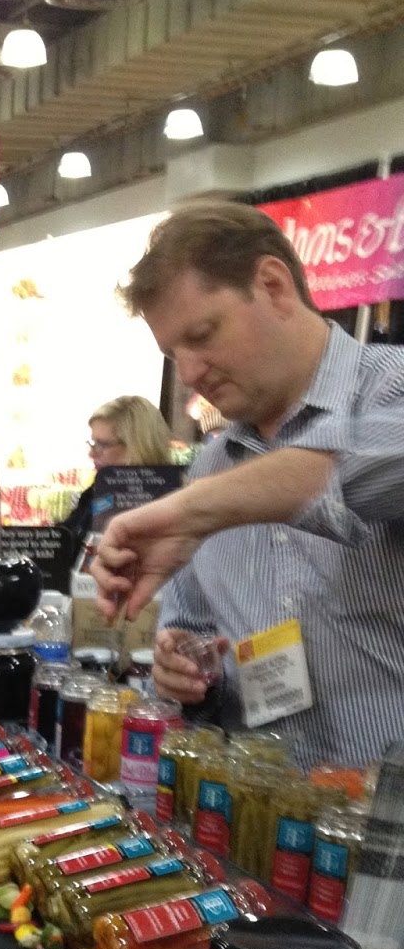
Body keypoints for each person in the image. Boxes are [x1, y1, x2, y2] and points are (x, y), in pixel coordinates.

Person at [91, 198, 404, 768]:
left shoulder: (393, 392)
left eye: (203, 334)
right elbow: (193, 627)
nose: (188, 373)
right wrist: (183, 666)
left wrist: (192, 512)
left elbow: (342, 471)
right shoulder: (211, 466)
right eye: (172, 353)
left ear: (273, 284)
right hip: (264, 828)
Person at [65, 393, 174, 544]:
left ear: (137, 446)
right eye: (92, 443)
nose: (91, 453)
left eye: (102, 445)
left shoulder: (170, 503)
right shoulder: (96, 491)